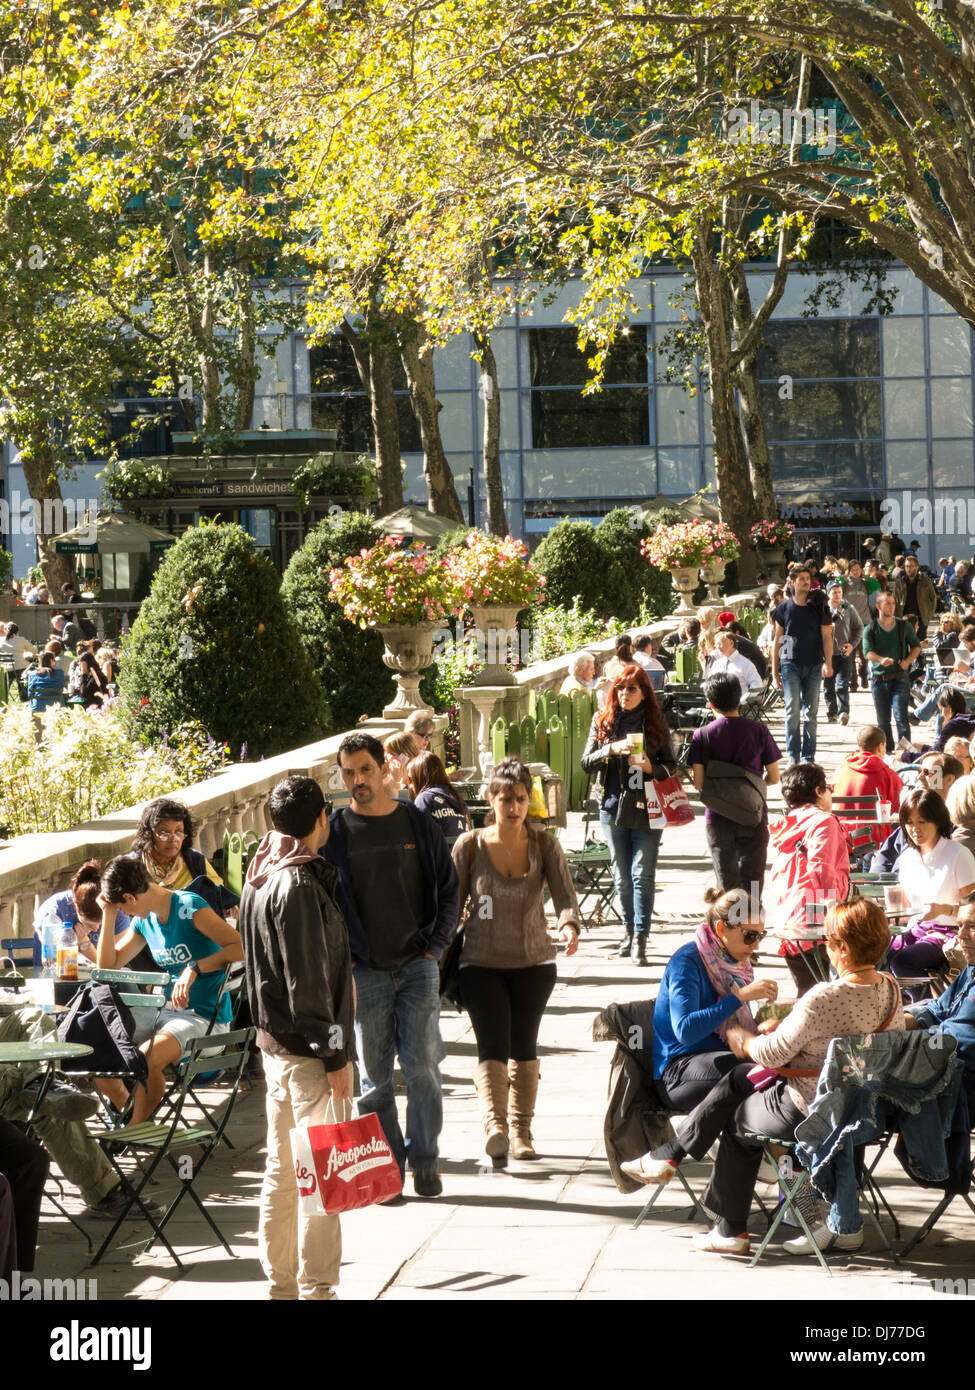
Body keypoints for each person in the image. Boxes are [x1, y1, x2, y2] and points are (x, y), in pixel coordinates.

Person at [691, 898, 903, 1256]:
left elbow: (773, 1053)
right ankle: (800, 1202)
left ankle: (731, 1229)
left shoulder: (824, 995)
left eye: (829, 941)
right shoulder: (891, 989)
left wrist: (746, 1040)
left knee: (739, 1116)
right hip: (865, 1109)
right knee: (757, 1100)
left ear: (844, 948)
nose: (825, 948)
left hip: (813, 1109)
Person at [322, 732, 459, 1198]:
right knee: (373, 1078)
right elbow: (327, 906)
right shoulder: (335, 834)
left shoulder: (416, 822)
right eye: (348, 773)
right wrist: (349, 961)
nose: (357, 780)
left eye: (364, 769)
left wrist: (436, 946)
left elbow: (448, 887)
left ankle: (425, 1159)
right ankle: (387, 1168)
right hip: (365, 972)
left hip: (418, 965)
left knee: (422, 1066)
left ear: (382, 769)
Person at [239, 775, 355, 1300]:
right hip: (307, 1052)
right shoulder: (299, 883)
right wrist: (335, 1057)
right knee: (318, 1174)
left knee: (282, 1171)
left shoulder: (260, 872)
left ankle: (281, 1284)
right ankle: (317, 1287)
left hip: (274, 1048)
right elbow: (307, 982)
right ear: (319, 819)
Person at [452, 758, 580, 1162]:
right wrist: (433, 949)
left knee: (524, 1045)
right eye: (505, 798)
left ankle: (522, 1132)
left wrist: (569, 926)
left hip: (533, 962)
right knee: (491, 1044)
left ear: (529, 801)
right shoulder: (469, 846)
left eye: (521, 799)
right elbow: (451, 904)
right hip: (480, 961)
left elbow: (564, 896)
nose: (514, 806)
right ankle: (496, 1127)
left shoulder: (544, 843)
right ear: (491, 799)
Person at [620, 887, 776, 1185]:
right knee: (752, 1073)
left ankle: (681, 1153)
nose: (755, 946)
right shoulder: (687, 962)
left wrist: (759, 1026)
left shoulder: (735, 963)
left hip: (718, 1064)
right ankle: (766, 1154)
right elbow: (686, 1030)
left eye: (761, 935)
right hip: (677, 1072)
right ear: (722, 928)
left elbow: (729, 1026)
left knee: (771, 1066)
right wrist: (739, 997)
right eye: (749, 936)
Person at [96, 856, 243, 1125]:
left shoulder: (188, 906)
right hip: (166, 1016)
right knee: (97, 1049)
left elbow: (240, 947)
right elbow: (107, 966)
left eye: (122, 908)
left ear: (130, 897)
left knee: (145, 1057)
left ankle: (134, 1129)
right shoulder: (144, 921)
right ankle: (132, 1112)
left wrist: (195, 967)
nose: (125, 914)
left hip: (206, 1019)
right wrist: (108, 913)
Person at [580, 663, 678, 965]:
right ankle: (627, 931)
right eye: (620, 688)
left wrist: (650, 767)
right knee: (622, 876)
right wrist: (611, 749)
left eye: (632, 689)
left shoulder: (656, 721)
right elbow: (585, 763)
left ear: (644, 693)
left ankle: (640, 937)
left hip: (648, 805)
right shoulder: (603, 720)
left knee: (642, 875)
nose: (625, 694)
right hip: (612, 806)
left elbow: (671, 767)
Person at [688, 672, 781, 895]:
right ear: (740, 698)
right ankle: (752, 922)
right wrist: (755, 788)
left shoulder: (701, 736)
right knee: (754, 875)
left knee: (726, 880)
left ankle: (732, 925)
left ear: (710, 702)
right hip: (754, 813)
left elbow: (699, 783)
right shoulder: (759, 730)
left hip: (718, 817)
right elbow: (774, 777)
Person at [767, 763, 850, 996]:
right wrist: (837, 915)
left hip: (789, 918)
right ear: (817, 791)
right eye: (828, 788)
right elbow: (820, 871)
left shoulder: (789, 824)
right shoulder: (823, 821)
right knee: (822, 996)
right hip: (814, 919)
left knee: (808, 994)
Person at [890, 787, 975, 989]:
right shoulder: (907, 858)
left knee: (902, 962)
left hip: (951, 933)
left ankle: (924, 1011)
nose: (915, 829)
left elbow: (972, 908)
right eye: (909, 822)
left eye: (922, 821)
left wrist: (944, 909)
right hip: (914, 928)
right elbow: (904, 908)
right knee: (875, 955)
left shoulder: (958, 854)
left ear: (937, 821)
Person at [904, 896, 975, 1105]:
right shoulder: (971, 969)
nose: (961, 935)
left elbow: (959, 1041)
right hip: (941, 1064)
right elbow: (938, 1008)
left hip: (959, 1081)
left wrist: (915, 1041)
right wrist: (894, 1021)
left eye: (971, 927)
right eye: (959, 925)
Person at [771, 566, 834, 766]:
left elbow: (827, 636)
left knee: (811, 713)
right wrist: (774, 671)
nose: (807, 582)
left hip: (814, 664)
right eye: (802, 579)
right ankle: (793, 755)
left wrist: (828, 662)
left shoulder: (818, 607)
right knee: (792, 711)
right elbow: (777, 640)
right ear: (792, 582)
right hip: (790, 663)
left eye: (808, 578)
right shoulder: (783, 609)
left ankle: (808, 756)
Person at [32, 859, 134, 969]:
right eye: (89, 924)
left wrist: (85, 945)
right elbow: (51, 963)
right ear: (75, 905)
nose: (96, 929)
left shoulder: (117, 911)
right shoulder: (53, 913)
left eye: (101, 923)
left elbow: (112, 966)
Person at [871, 751, 964, 871]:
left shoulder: (959, 820)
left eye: (927, 772)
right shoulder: (915, 811)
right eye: (920, 771)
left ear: (949, 779)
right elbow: (885, 856)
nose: (919, 777)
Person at [129, 798, 227, 898]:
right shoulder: (131, 867)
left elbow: (220, 896)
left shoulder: (194, 860)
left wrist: (230, 908)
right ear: (149, 834)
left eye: (178, 831)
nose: (173, 839)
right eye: (164, 832)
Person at [863, 590, 921, 753]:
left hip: (900, 678)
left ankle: (904, 753)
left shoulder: (904, 626)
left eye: (893, 603)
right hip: (878, 679)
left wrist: (908, 661)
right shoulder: (871, 628)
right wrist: (881, 659)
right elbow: (868, 652)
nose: (891, 606)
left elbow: (916, 646)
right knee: (883, 721)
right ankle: (887, 752)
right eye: (887, 603)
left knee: (901, 718)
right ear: (878, 606)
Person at [832, 726, 903, 849]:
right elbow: (898, 808)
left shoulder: (840, 771)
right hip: (878, 841)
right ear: (880, 746)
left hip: (845, 840)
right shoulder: (888, 775)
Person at [406, 750, 470, 845]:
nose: (410, 786)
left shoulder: (424, 799)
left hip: (439, 857)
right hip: (461, 856)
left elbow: (419, 837)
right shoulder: (455, 796)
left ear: (422, 777)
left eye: (411, 779)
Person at [822, 579, 862, 725]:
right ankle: (831, 712)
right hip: (826, 655)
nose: (837, 595)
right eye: (834, 592)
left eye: (839, 592)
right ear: (828, 594)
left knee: (842, 685)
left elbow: (859, 628)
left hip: (844, 654)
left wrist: (852, 645)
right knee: (828, 686)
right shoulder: (823, 609)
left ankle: (843, 712)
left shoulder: (849, 608)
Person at [705, 630, 762, 699]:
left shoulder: (745, 663)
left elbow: (757, 684)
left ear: (731, 643)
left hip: (737, 705)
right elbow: (709, 682)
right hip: (718, 703)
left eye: (720, 643)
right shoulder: (717, 664)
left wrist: (744, 699)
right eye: (716, 644)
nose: (717, 647)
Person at [0, 622, 36, 698]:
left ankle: (4, 698)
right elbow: (34, 650)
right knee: (32, 669)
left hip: (6, 670)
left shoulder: (1, 640)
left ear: (5, 631)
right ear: (17, 631)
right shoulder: (21, 639)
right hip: (21, 668)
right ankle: (24, 697)